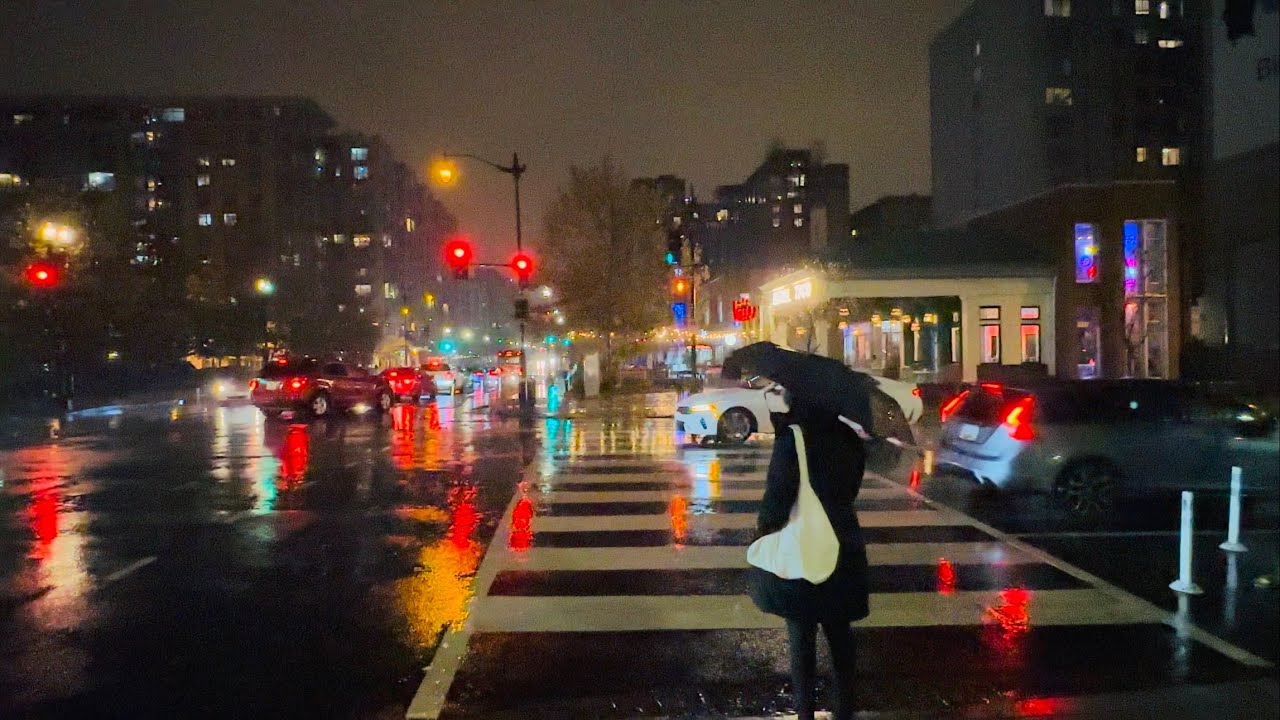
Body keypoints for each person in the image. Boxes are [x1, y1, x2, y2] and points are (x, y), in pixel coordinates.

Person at [749, 384, 869, 720]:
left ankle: (805, 711)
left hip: (804, 543)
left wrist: (763, 529)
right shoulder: (847, 436)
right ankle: (845, 709)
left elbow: (778, 495)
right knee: (840, 634)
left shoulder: (794, 437)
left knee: (801, 635)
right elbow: (851, 487)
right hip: (842, 540)